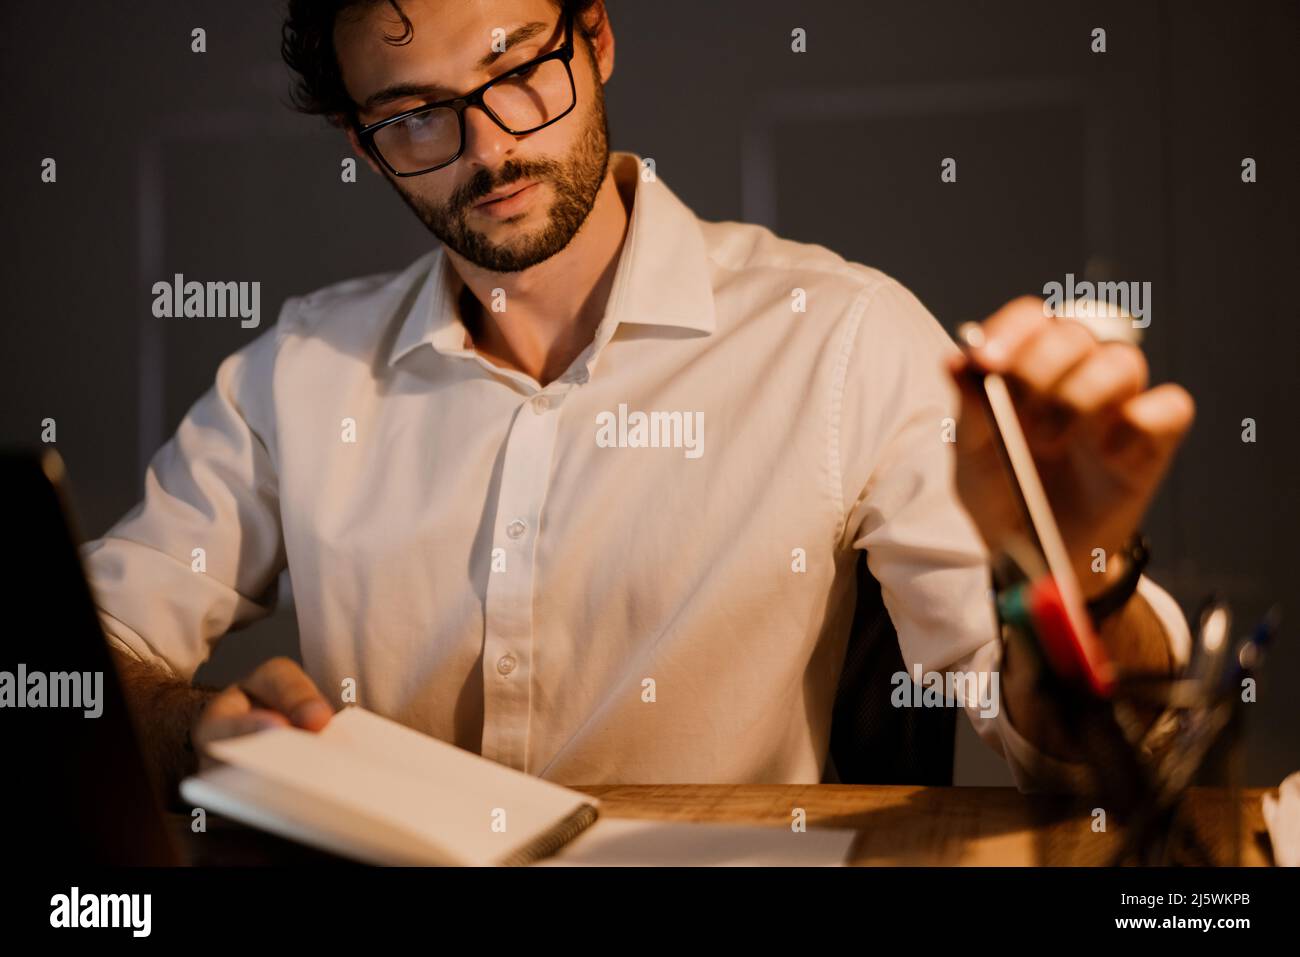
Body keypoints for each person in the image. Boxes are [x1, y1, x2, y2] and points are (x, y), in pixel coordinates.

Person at [84, 0, 1195, 796]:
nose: (492, 146)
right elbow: (66, 652)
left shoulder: (841, 337)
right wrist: (190, 731)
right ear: (364, 149)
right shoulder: (297, 373)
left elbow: (1081, 760)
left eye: (519, 64)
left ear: (597, 36)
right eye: (416, 114)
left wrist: (1079, 578)